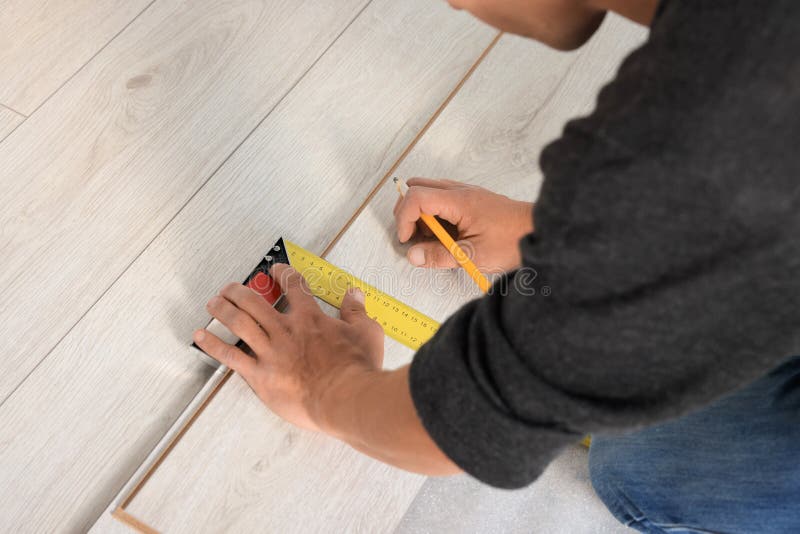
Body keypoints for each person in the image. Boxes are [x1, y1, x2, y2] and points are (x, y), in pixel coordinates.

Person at [192, 0, 800, 531]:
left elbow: (465, 428)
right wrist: (567, 238)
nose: (453, 6)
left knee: (637, 463)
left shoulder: (707, 126)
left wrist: (328, 384)